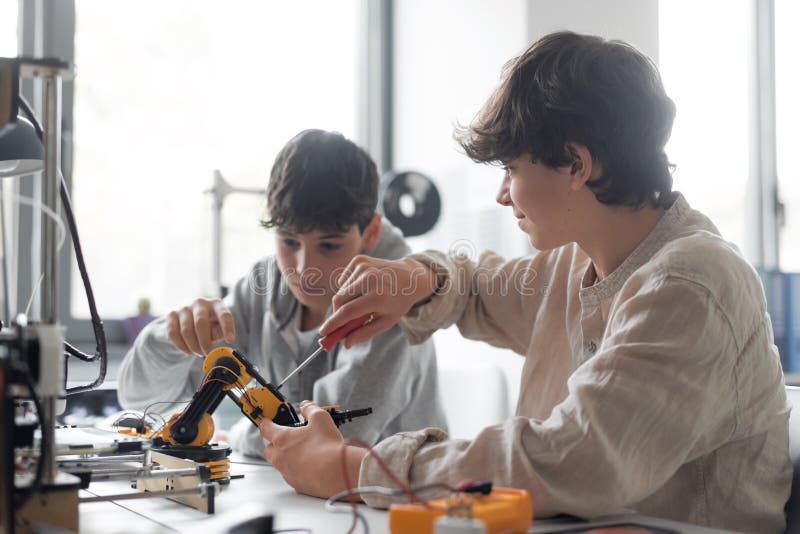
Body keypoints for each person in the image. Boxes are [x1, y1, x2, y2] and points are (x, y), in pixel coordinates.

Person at [255, 32, 792, 532]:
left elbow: (571, 460)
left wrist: (352, 469)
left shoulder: (690, 285)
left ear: (576, 164)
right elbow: (474, 287)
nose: (502, 194)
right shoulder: (574, 260)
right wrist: (415, 277)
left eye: (511, 169)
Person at [117, 129, 448, 457]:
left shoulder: (396, 299)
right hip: (295, 487)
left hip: (392, 490)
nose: (304, 268)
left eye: (329, 245)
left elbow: (331, 438)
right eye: (289, 241)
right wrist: (171, 338)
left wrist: (238, 436)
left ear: (371, 232)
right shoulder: (264, 283)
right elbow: (138, 400)